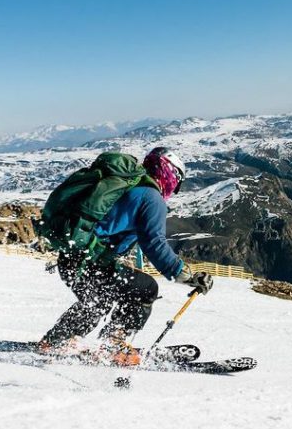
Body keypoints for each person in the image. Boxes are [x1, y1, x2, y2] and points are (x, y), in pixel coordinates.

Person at [39, 147, 213, 364]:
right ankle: (113, 342)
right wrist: (184, 274)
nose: (174, 189)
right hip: (88, 261)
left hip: (73, 257)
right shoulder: (151, 198)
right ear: (171, 175)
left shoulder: (131, 187)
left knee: (97, 300)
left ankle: (57, 340)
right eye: (177, 184)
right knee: (144, 288)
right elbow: (154, 242)